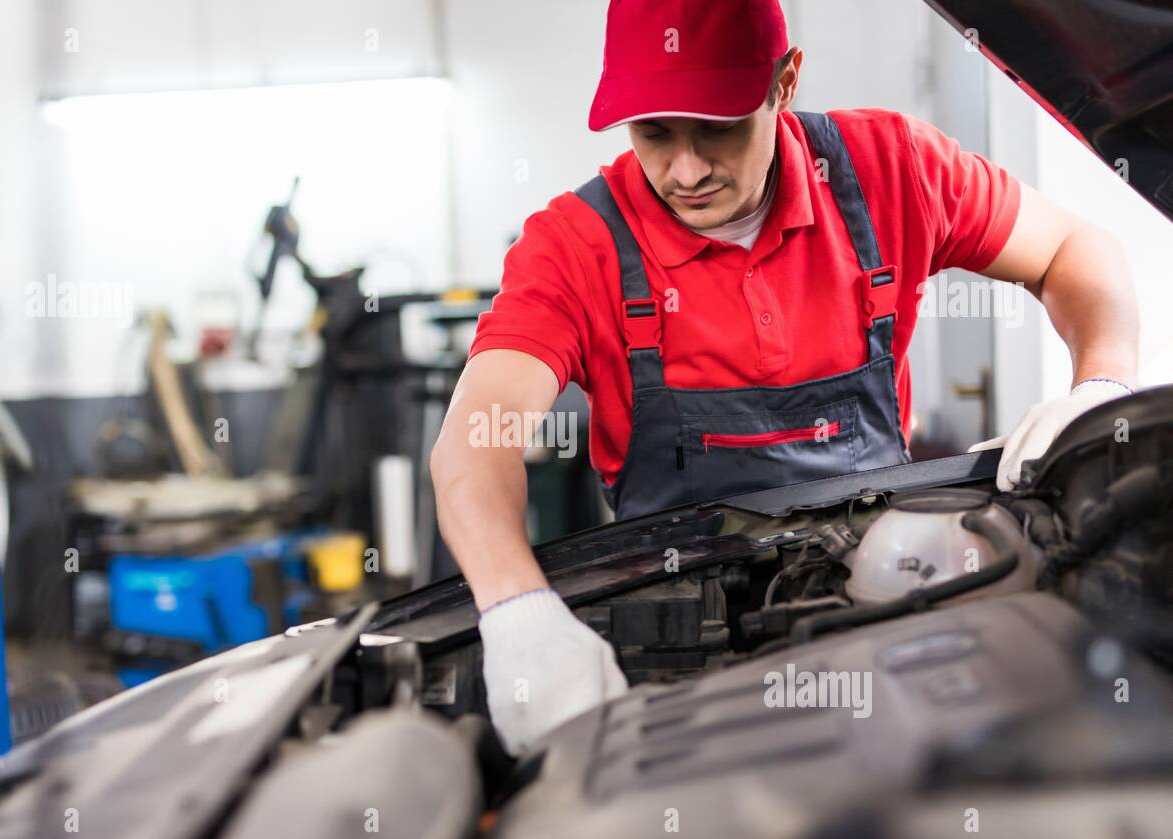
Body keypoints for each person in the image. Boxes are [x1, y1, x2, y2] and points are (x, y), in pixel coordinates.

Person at [430, 0, 1140, 754]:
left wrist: (1100, 386)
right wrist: (518, 613)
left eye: (717, 126)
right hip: (679, 668)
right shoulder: (574, 248)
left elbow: (1077, 248)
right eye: (656, 133)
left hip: (888, 608)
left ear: (785, 81)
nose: (687, 169)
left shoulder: (888, 167)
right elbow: (476, 439)